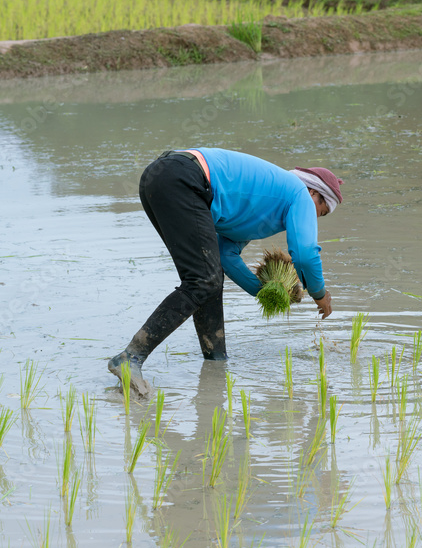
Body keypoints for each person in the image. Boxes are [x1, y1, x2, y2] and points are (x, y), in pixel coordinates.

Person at [108, 148, 343, 396]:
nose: (316, 217)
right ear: (314, 193)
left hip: (160, 177)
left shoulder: (263, 205)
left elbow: (224, 255)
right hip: (185, 179)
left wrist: (264, 291)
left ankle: (215, 362)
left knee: (207, 278)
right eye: (322, 210)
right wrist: (320, 294)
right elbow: (305, 253)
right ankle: (131, 357)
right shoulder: (298, 194)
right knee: (201, 281)